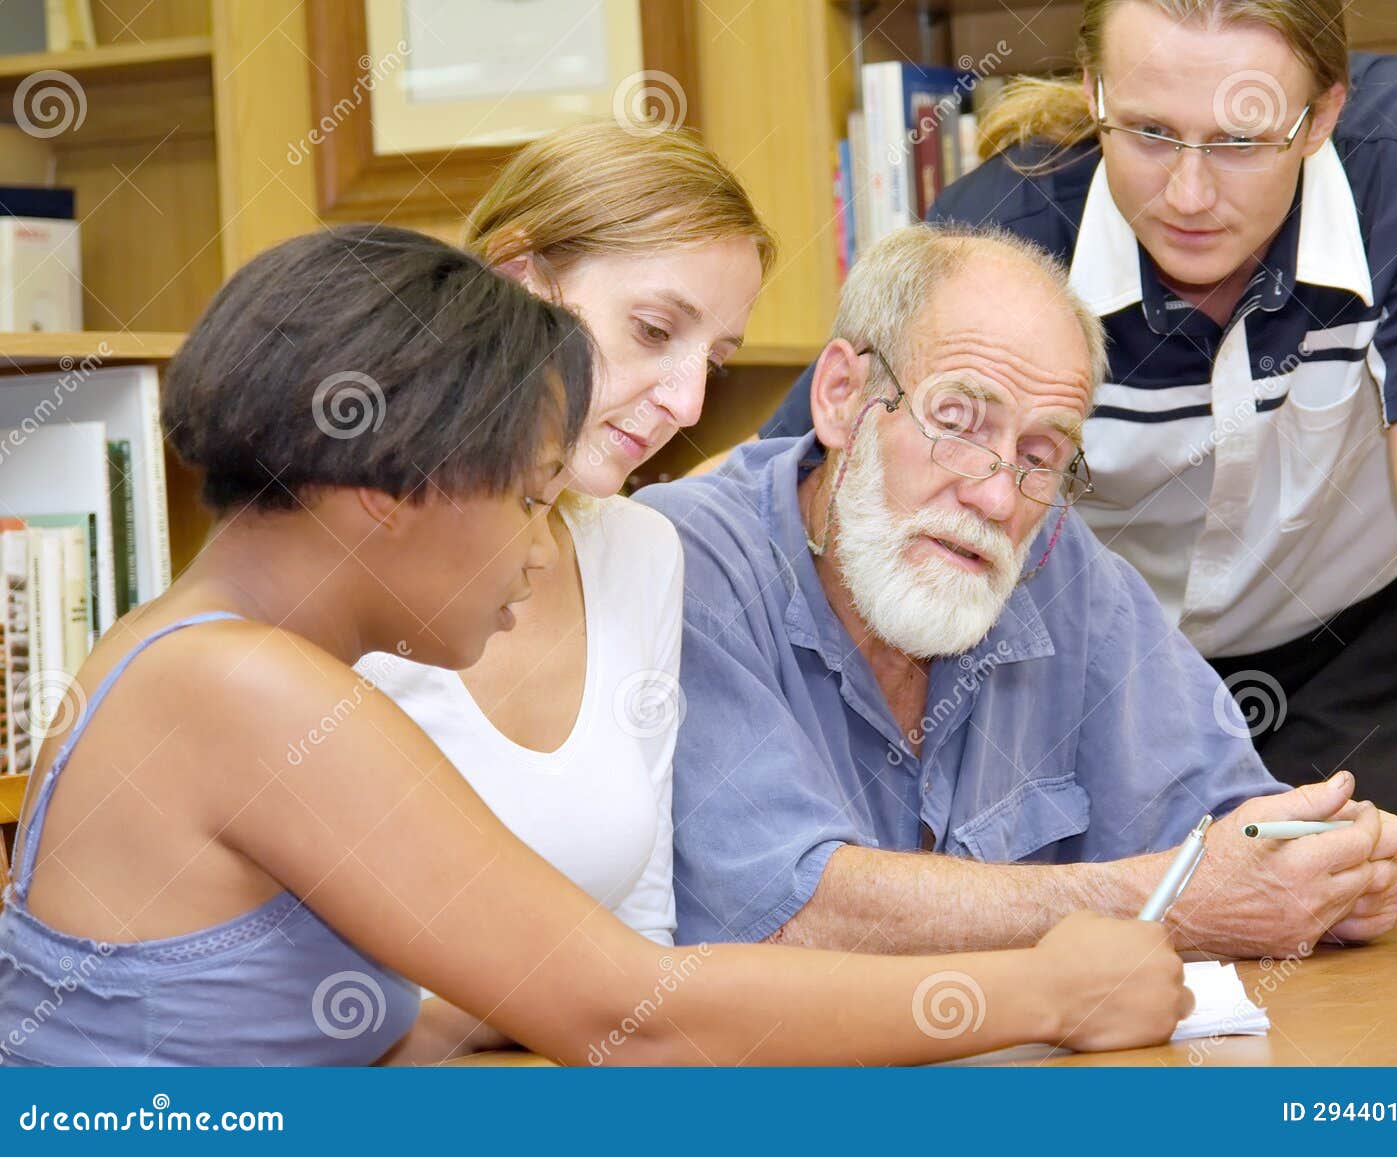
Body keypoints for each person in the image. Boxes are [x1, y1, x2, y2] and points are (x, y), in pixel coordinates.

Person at [0, 224, 1192, 1067]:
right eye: (525, 499)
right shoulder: (244, 690)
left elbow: (396, 1026)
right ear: (387, 489)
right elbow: (637, 1018)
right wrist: (1051, 989)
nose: (538, 550)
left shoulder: (183, 652)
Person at [760, 0, 1397, 912]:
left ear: (1321, 116)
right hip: (1097, 673)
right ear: (1094, 92)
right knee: (1128, 975)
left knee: (1359, 969)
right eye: (1151, 133)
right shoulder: (998, 231)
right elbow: (799, 483)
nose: (1189, 196)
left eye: (1240, 143)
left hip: (1351, 652)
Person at [637, 223, 1397, 960]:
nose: (999, 499)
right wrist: (1166, 905)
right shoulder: (681, 560)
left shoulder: (1054, 563)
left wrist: (1327, 866)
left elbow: (1232, 826)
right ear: (842, 393)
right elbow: (788, 912)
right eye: (961, 421)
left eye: (1040, 454)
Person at [357, 120, 772, 951]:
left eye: (715, 361)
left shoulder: (644, 553)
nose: (689, 406)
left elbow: (643, 933)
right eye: (654, 331)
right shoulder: (350, 538)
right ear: (519, 282)